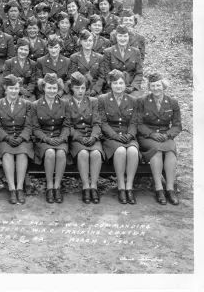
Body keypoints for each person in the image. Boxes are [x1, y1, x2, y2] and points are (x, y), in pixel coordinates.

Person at [136, 73, 182, 205]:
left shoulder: (172, 102)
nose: (156, 88)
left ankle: (170, 189)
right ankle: (159, 188)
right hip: (147, 136)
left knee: (170, 150)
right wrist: (151, 134)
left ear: (163, 86)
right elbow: (139, 124)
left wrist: (168, 135)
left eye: (158, 85)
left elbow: (177, 125)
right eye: (153, 86)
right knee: (157, 150)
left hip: (165, 135)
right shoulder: (142, 101)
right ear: (149, 87)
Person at [98, 69, 140, 205]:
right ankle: (121, 186)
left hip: (128, 135)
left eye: (121, 83)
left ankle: (130, 187)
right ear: (110, 84)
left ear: (125, 84)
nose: (118, 86)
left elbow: (134, 122)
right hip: (111, 137)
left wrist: (130, 135)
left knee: (133, 151)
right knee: (121, 150)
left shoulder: (133, 100)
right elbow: (102, 122)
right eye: (115, 83)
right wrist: (114, 135)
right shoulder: (103, 99)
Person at [31, 73, 71, 204]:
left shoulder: (64, 104)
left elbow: (67, 125)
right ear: (43, 88)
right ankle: (49, 186)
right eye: (49, 88)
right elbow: (35, 128)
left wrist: (62, 138)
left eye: (54, 88)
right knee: (49, 152)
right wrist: (46, 139)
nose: (52, 91)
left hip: (60, 138)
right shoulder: (36, 105)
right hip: (44, 139)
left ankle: (57, 186)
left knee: (60, 153)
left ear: (58, 88)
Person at [0, 74, 33, 205]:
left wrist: (22, 137)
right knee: (7, 153)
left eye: (16, 88)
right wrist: (6, 137)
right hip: (5, 138)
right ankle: (12, 188)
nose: (13, 91)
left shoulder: (26, 104)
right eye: (11, 88)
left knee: (22, 153)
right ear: (5, 89)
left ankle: (20, 188)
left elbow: (28, 125)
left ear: (19, 89)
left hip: (22, 139)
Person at [67, 72, 104, 205]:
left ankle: (94, 186)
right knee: (83, 153)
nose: (80, 91)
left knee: (96, 154)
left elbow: (97, 123)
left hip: (92, 137)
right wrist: (78, 137)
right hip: (77, 139)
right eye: (77, 88)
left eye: (83, 88)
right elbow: (68, 126)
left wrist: (94, 137)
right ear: (72, 88)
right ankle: (85, 186)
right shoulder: (67, 103)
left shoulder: (93, 101)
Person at [100, 25, 143, 97]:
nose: (123, 39)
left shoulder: (136, 52)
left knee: (137, 102)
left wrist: (132, 87)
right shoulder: (108, 52)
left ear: (128, 37)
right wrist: (116, 86)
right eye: (120, 36)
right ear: (116, 37)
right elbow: (106, 73)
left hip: (130, 86)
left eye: (125, 36)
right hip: (113, 86)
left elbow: (139, 73)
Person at [68, 29, 104, 97]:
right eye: (85, 41)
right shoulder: (74, 57)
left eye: (90, 40)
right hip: (79, 89)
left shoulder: (100, 57)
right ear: (81, 42)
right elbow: (74, 77)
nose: (88, 43)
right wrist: (82, 90)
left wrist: (95, 90)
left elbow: (101, 77)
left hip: (95, 90)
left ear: (93, 42)